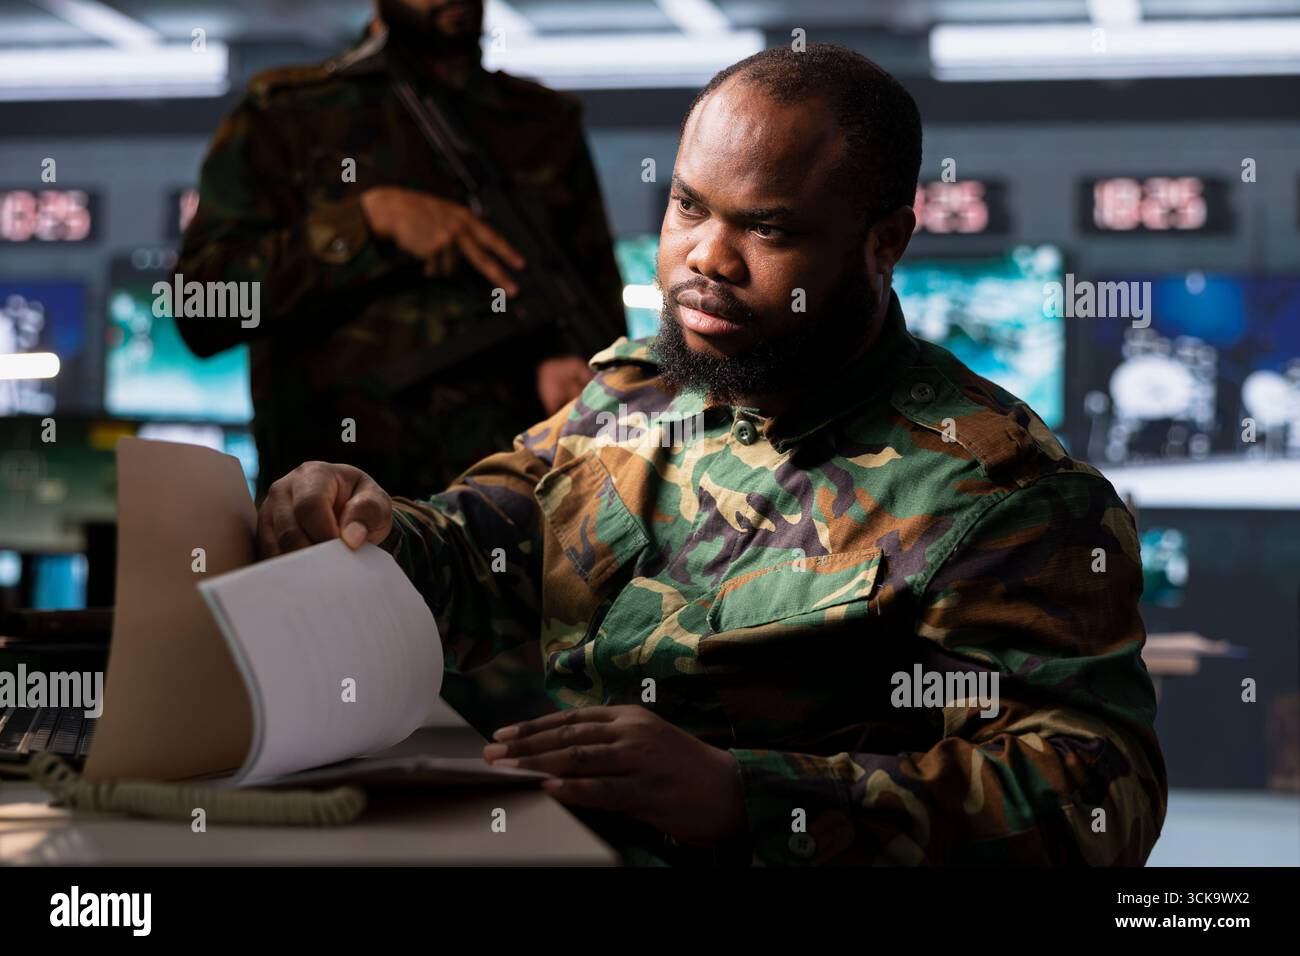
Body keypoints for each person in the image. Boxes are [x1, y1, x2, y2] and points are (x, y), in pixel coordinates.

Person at [256, 43, 1167, 866]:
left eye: (768, 230)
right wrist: (362, 516)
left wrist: (748, 798)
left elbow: (1097, 799)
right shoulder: (638, 385)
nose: (706, 259)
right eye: (689, 206)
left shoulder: (1002, 495)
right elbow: (482, 546)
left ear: (884, 243)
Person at [176, 0, 627, 735]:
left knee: (517, 801)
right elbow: (201, 307)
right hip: (327, 530)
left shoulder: (539, 123)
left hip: (504, 558)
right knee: (315, 772)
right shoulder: (287, 113)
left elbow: (600, 329)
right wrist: (368, 221)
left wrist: (569, 368)